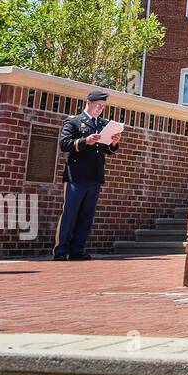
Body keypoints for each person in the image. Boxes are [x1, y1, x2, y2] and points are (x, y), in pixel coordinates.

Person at [54, 90, 121, 261]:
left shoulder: (103, 124)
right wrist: (85, 141)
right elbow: (64, 144)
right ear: (88, 103)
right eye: (98, 105)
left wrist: (113, 142)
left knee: (86, 215)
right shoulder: (74, 121)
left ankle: (77, 249)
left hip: (95, 175)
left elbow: (106, 149)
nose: (100, 109)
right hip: (76, 175)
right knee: (70, 213)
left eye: (103, 106)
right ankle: (61, 250)